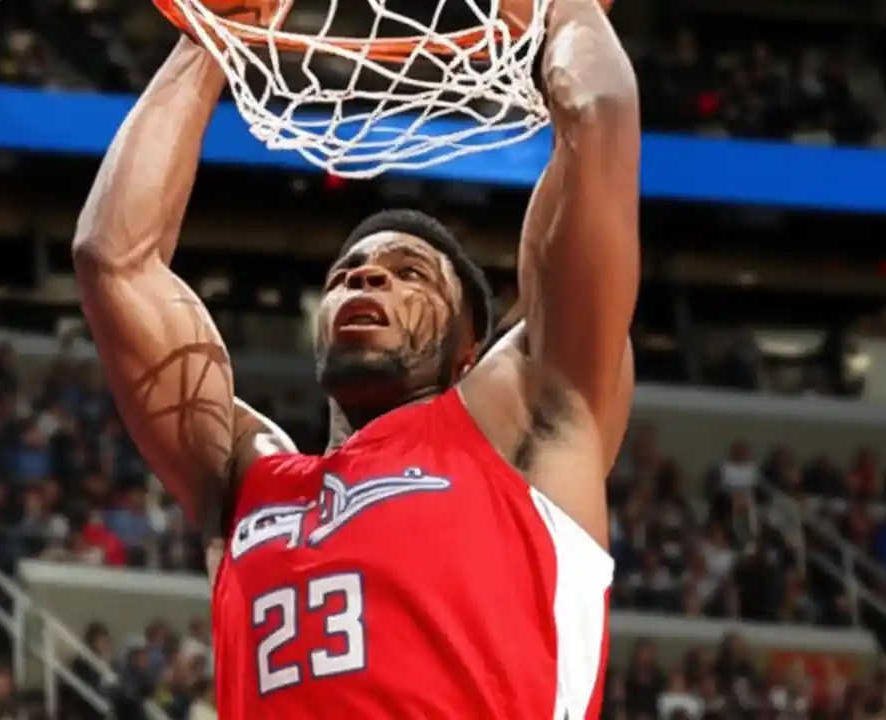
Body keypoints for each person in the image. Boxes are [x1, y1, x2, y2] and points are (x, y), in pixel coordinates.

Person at [72, 0, 637, 713]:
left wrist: (567, 8)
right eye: (346, 274)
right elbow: (113, 261)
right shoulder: (250, 479)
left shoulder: (521, 421)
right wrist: (218, 32)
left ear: (471, 348)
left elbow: (600, 122)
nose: (365, 278)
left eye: (410, 274)